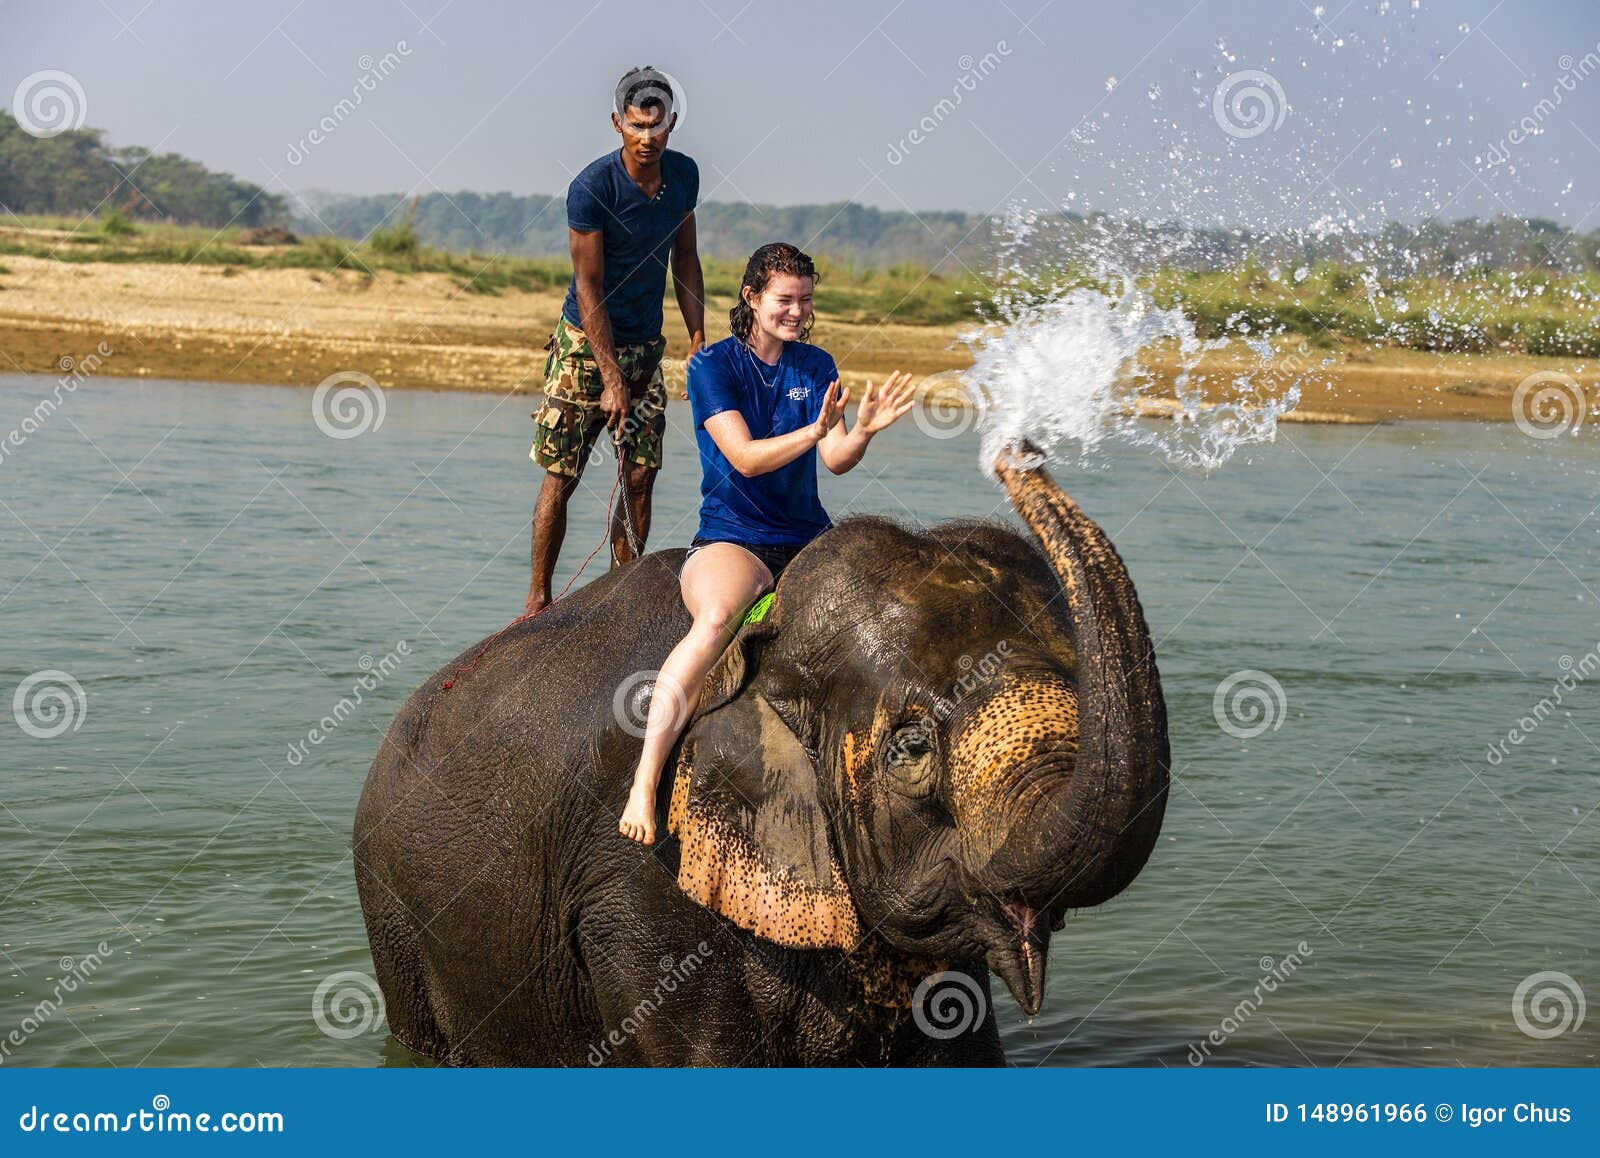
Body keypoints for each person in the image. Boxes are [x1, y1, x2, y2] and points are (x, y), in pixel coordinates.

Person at [618, 242, 916, 844]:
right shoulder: (712, 366)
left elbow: (834, 459)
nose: (797, 311)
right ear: (752, 297)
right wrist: (814, 430)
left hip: (808, 539)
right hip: (734, 538)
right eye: (785, 299)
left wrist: (860, 431)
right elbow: (746, 458)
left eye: (805, 299)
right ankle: (644, 783)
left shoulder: (816, 363)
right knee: (716, 620)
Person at [525, 66, 705, 615]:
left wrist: (698, 337)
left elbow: (686, 258)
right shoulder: (592, 188)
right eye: (636, 126)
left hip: (646, 347)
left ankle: (619, 597)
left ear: (672, 123)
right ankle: (537, 599)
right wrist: (609, 378)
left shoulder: (684, 175)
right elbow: (589, 285)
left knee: (641, 473)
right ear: (617, 124)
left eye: (656, 126)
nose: (647, 137)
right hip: (585, 345)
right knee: (563, 475)